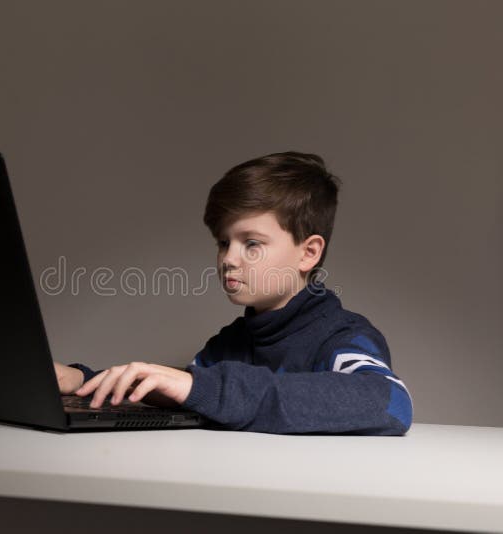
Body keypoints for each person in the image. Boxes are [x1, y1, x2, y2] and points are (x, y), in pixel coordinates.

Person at [53, 151, 413, 435]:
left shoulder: (342, 337)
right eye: (224, 242)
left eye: (251, 244)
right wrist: (84, 380)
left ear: (309, 253)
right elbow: (189, 390)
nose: (228, 259)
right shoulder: (231, 343)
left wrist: (204, 388)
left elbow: (391, 402)